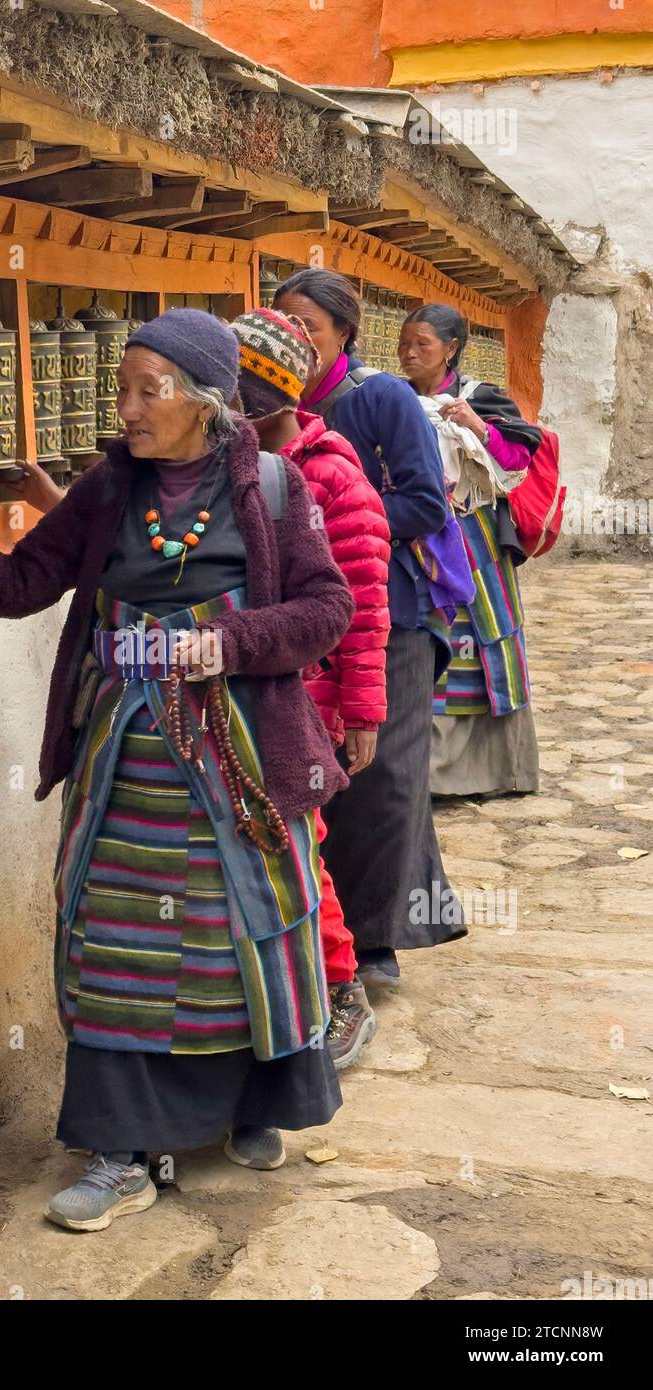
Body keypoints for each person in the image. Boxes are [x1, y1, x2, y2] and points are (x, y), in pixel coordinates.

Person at [0, 308, 356, 1233]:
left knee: (232, 932)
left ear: (205, 402)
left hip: (241, 760)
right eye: (121, 387)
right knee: (121, 936)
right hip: (125, 760)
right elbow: (18, 587)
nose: (124, 408)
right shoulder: (105, 492)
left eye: (145, 391)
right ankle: (123, 1153)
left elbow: (328, 610)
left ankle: (250, 1103)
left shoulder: (273, 488)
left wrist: (226, 642)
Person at [273, 269, 470, 992]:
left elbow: (424, 502)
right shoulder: (268, 403)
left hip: (389, 615)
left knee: (383, 780)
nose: (295, 339)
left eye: (310, 327)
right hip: (301, 622)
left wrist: (325, 521)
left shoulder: (378, 397)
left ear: (344, 334)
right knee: (314, 777)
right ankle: (326, 934)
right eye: (284, 324)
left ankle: (375, 941)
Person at [231, 306, 390, 1069]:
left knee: (299, 849)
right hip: (255, 696)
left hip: (312, 702)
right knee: (277, 845)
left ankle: (341, 991)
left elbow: (360, 609)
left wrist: (361, 711)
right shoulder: (235, 468)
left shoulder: (330, 476)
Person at [397, 304, 542, 797]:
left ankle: (490, 772)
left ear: (451, 349)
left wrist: (476, 426)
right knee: (426, 638)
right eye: (404, 343)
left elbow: (518, 461)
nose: (409, 353)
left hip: (472, 538)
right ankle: (425, 774)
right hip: (415, 541)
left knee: (479, 640)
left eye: (423, 344)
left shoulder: (480, 398)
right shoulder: (387, 398)